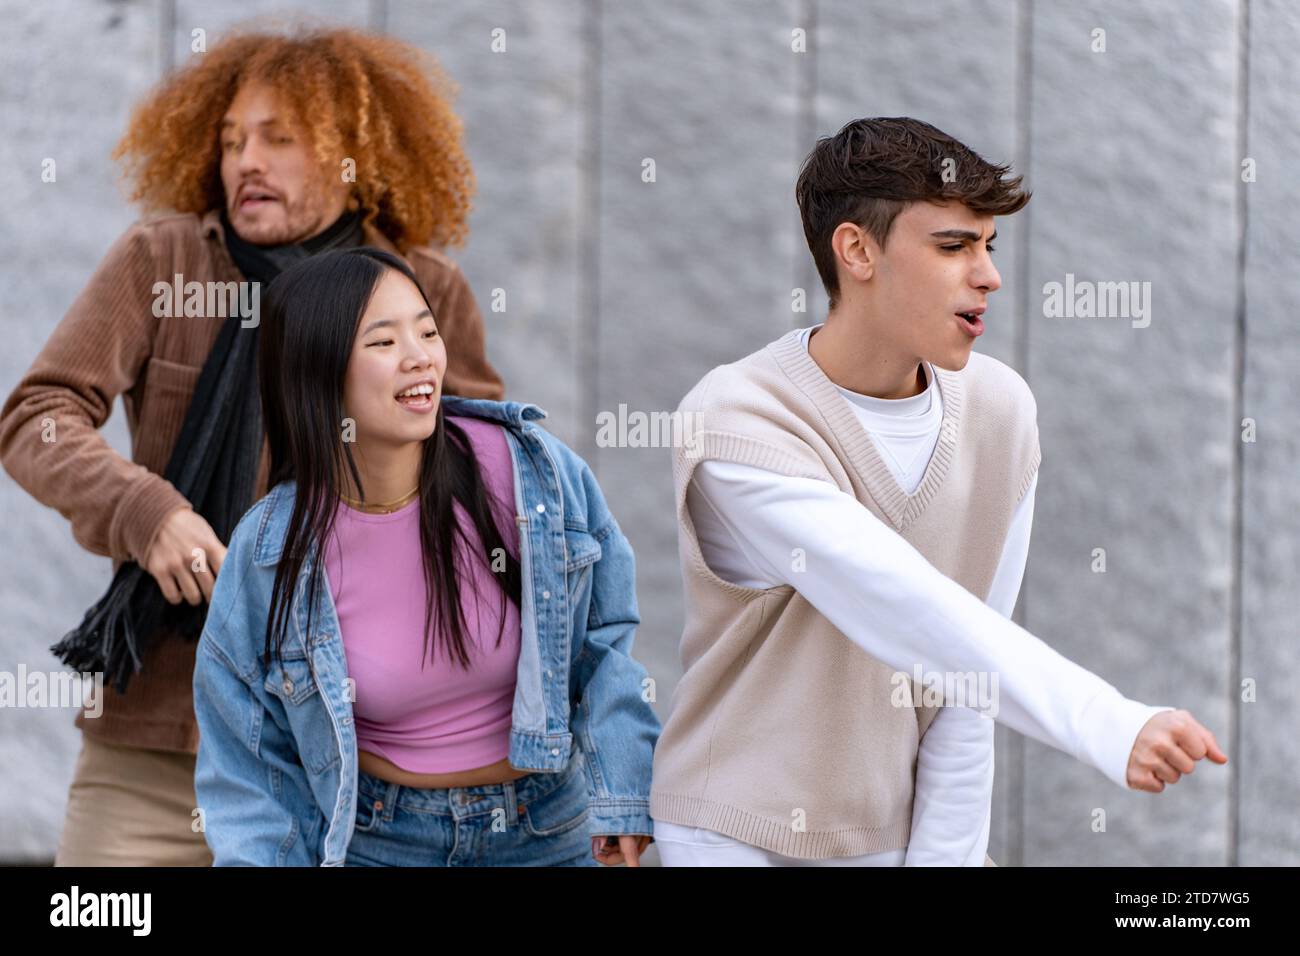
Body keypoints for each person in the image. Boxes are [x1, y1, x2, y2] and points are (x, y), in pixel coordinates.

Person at [649, 116, 1228, 866]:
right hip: (732, 832)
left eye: (988, 246)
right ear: (857, 249)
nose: (986, 275)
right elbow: (907, 606)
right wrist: (1106, 721)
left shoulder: (1000, 412)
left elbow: (967, 682)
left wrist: (943, 859)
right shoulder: (740, 419)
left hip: (895, 835)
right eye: (953, 247)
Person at [0, 25, 502, 866]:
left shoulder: (425, 291)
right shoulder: (158, 260)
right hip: (156, 743)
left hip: (351, 756)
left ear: (354, 152)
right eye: (232, 140)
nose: (245, 162)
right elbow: (38, 415)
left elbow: (487, 483)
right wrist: (145, 512)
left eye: (279, 138)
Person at [192, 247, 659, 866]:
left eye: (427, 330)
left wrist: (622, 790)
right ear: (318, 370)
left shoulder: (528, 474)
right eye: (383, 342)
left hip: (545, 827)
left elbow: (604, 639)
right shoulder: (272, 550)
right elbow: (248, 758)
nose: (420, 357)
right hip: (377, 839)